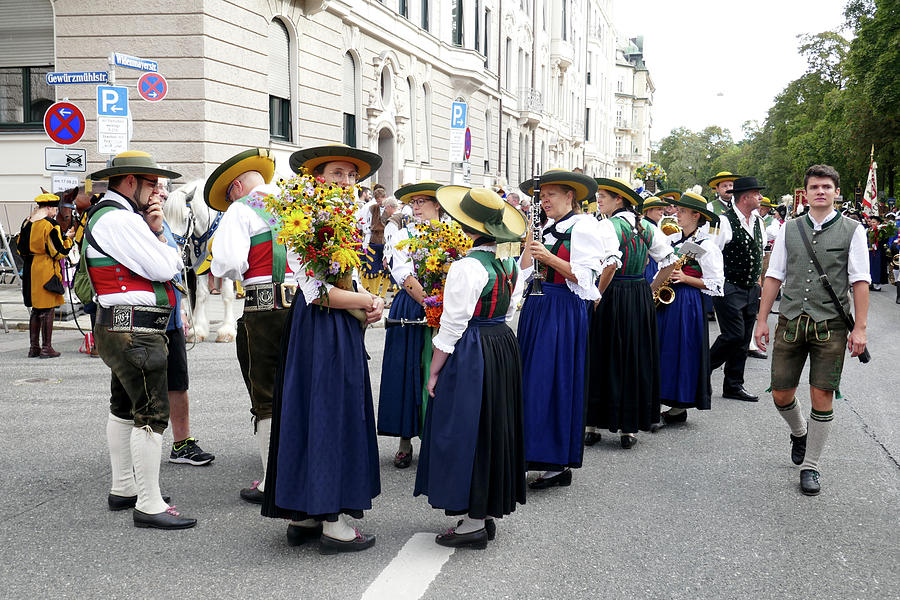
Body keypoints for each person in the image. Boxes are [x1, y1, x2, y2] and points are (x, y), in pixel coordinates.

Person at [261, 144, 385, 554]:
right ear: (318, 178)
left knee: (313, 411)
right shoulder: (306, 219)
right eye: (337, 173)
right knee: (329, 413)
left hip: (333, 326)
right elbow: (316, 292)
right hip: (319, 328)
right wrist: (368, 301)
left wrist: (368, 302)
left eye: (351, 175)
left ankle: (306, 514)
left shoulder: (345, 218)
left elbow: (346, 278)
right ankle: (331, 521)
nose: (346, 181)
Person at [85, 151, 196, 529]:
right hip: (136, 331)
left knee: (122, 407)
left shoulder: (109, 215)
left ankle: (124, 487)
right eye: (152, 184)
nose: (158, 192)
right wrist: (160, 235)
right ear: (130, 181)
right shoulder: (121, 219)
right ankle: (149, 503)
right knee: (151, 414)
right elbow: (168, 266)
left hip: (120, 327)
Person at [415, 185, 527, 548]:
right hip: (501, 344)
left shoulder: (466, 266)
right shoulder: (508, 264)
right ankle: (484, 512)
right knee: (493, 425)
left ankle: (474, 522)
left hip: (473, 348)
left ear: (466, 226)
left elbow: (452, 326)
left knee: (467, 428)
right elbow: (509, 310)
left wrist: (434, 369)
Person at [754, 164, 869, 496]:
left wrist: (860, 329)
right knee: (780, 393)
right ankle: (799, 431)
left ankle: (811, 466)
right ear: (805, 193)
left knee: (822, 394)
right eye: (815, 187)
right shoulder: (789, 229)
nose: (821, 192)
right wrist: (761, 320)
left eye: (826, 187)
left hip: (831, 326)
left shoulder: (853, 230)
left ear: (836, 192)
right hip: (791, 321)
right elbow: (774, 275)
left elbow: (860, 281)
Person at [516, 170, 610, 487]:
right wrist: (530, 246)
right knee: (531, 380)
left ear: (570, 196)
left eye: (551, 195)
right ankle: (528, 453)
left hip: (562, 310)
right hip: (538, 307)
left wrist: (548, 257)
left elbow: (586, 278)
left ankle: (556, 463)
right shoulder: (545, 227)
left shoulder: (583, 227)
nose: (545, 201)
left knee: (553, 381)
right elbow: (524, 272)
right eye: (542, 196)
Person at [207, 148, 289, 504]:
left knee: (266, 395)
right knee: (300, 389)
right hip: (306, 306)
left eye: (229, 196)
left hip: (265, 307)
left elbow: (227, 262)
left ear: (237, 187)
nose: (230, 202)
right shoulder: (294, 203)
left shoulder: (241, 209)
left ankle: (273, 482)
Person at [586, 178, 677, 448]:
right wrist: (650, 290)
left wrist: (597, 295)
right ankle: (629, 429)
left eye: (604, 196)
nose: (599, 200)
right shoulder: (646, 227)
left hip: (613, 294)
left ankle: (592, 426)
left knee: (603, 354)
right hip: (638, 295)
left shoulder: (608, 225)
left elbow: (610, 266)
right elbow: (670, 262)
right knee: (634, 357)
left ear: (619, 200)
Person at [377, 181, 442, 469]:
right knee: (406, 371)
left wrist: (443, 305)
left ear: (437, 204)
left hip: (443, 305)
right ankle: (405, 442)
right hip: (413, 304)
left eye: (421, 201)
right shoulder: (403, 235)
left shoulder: (452, 234)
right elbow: (403, 273)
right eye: (412, 202)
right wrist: (429, 303)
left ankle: (436, 439)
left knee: (438, 373)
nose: (415, 207)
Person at [152, 179, 216, 467]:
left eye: (164, 187)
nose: (163, 192)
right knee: (144, 388)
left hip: (172, 316)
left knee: (178, 382)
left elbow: (177, 268)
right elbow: (162, 266)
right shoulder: (131, 222)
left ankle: (182, 443)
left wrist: (181, 311)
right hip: (146, 317)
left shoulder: (163, 220)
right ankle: (140, 449)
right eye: (155, 186)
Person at [656, 191, 724, 424]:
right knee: (662, 348)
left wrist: (686, 278)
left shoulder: (706, 245)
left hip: (687, 302)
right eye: (678, 210)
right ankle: (658, 400)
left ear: (696, 215)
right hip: (667, 300)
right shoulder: (673, 239)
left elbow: (716, 284)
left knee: (682, 351)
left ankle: (678, 406)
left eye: (683, 211)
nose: (677, 214)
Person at [709, 176, 767, 402]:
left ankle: (733, 385)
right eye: (757, 194)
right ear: (745, 197)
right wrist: (717, 283)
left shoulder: (758, 221)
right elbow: (711, 253)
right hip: (729, 285)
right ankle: (702, 368)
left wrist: (758, 281)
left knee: (743, 340)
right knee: (733, 335)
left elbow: (759, 251)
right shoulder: (723, 221)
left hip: (751, 287)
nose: (760, 197)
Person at [17, 192, 73, 358]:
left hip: (29, 269)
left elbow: (20, 248)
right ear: (49, 207)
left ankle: (34, 348)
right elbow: (58, 252)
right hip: (45, 268)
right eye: (55, 209)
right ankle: (47, 348)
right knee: (47, 309)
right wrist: (68, 239)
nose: (55, 212)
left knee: (35, 310)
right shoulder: (50, 225)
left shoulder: (27, 222)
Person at [641, 196, 669, 283]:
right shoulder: (646, 226)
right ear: (648, 210)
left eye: (662, 209)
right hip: (647, 265)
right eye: (659, 209)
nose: (662, 212)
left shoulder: (652, 226)